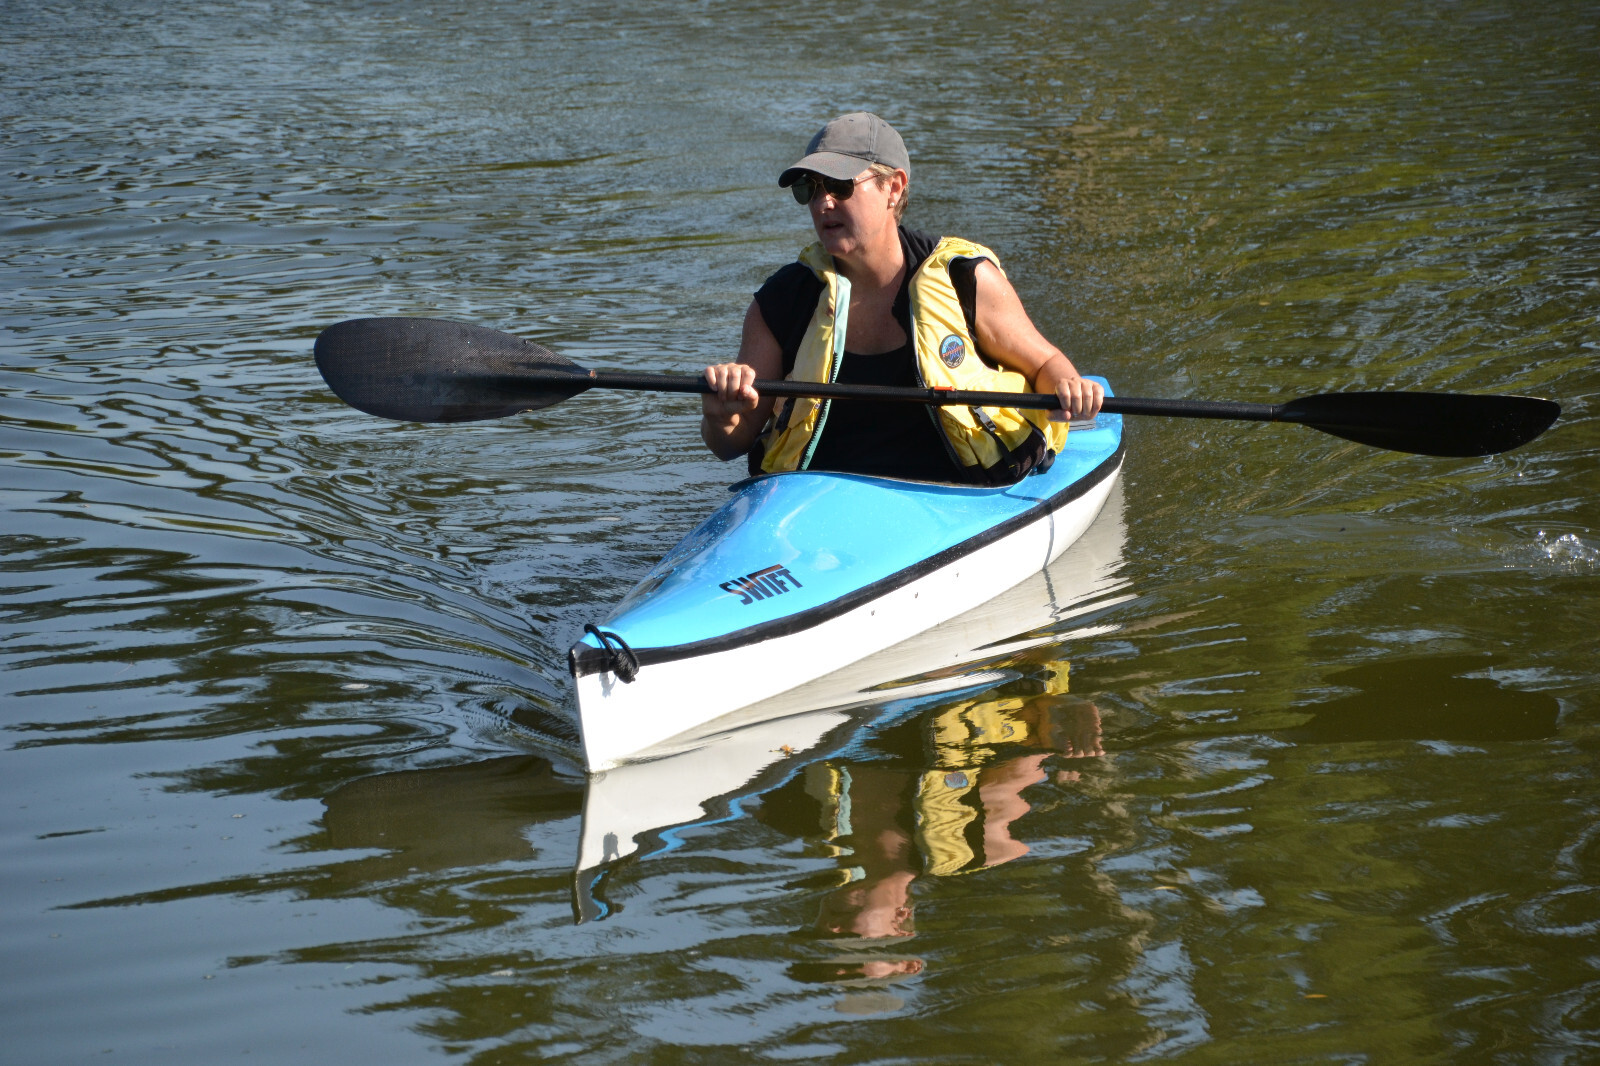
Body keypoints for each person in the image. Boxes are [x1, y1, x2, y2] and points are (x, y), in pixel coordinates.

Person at [702, 112, 1104, 484]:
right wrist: (721, 414)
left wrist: (1069, 388)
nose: (823, 203)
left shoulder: (966, 279)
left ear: (893, 188)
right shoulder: (780, 302)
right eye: (810, 189)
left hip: (956, 492)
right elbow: (728, 446)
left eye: (840, 186)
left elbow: (1047, 364)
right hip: (817, 500)